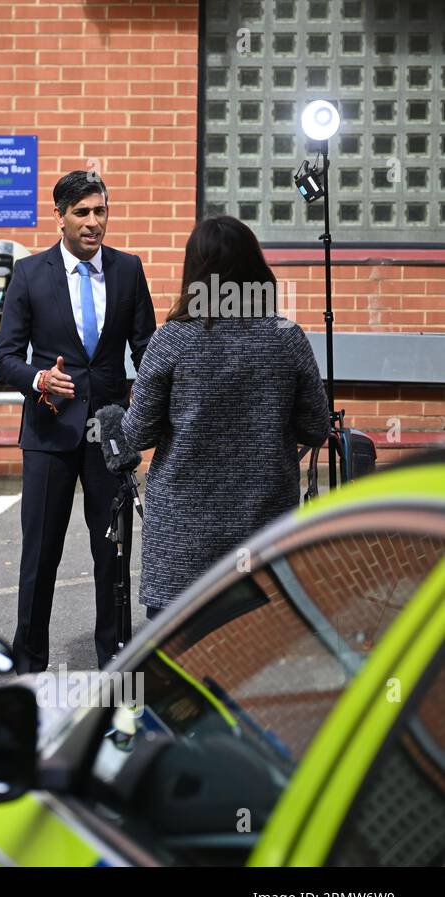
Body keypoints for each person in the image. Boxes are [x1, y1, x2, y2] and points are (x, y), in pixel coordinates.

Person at [121, 215, 330, 620]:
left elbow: (137, 434)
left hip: (182, 543)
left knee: (178, 666)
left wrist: (116, 419)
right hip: (265, 532)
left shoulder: (173, 339)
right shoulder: (286, 337)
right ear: (256, 268)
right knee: (258, 663)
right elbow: (316, 426)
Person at [0, 171, 156, 673]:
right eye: (82, 213)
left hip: (110, 434)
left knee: (112, 555)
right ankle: (29, 664)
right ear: (60, 216)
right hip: (48, 432)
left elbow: (147, 350)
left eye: (100, 211)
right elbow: (6, 358)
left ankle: (116, 659)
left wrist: (144, 418)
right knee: (40, 554)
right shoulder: (28, 274)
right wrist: (39, 380)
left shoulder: (128, 270)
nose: (93, 222)